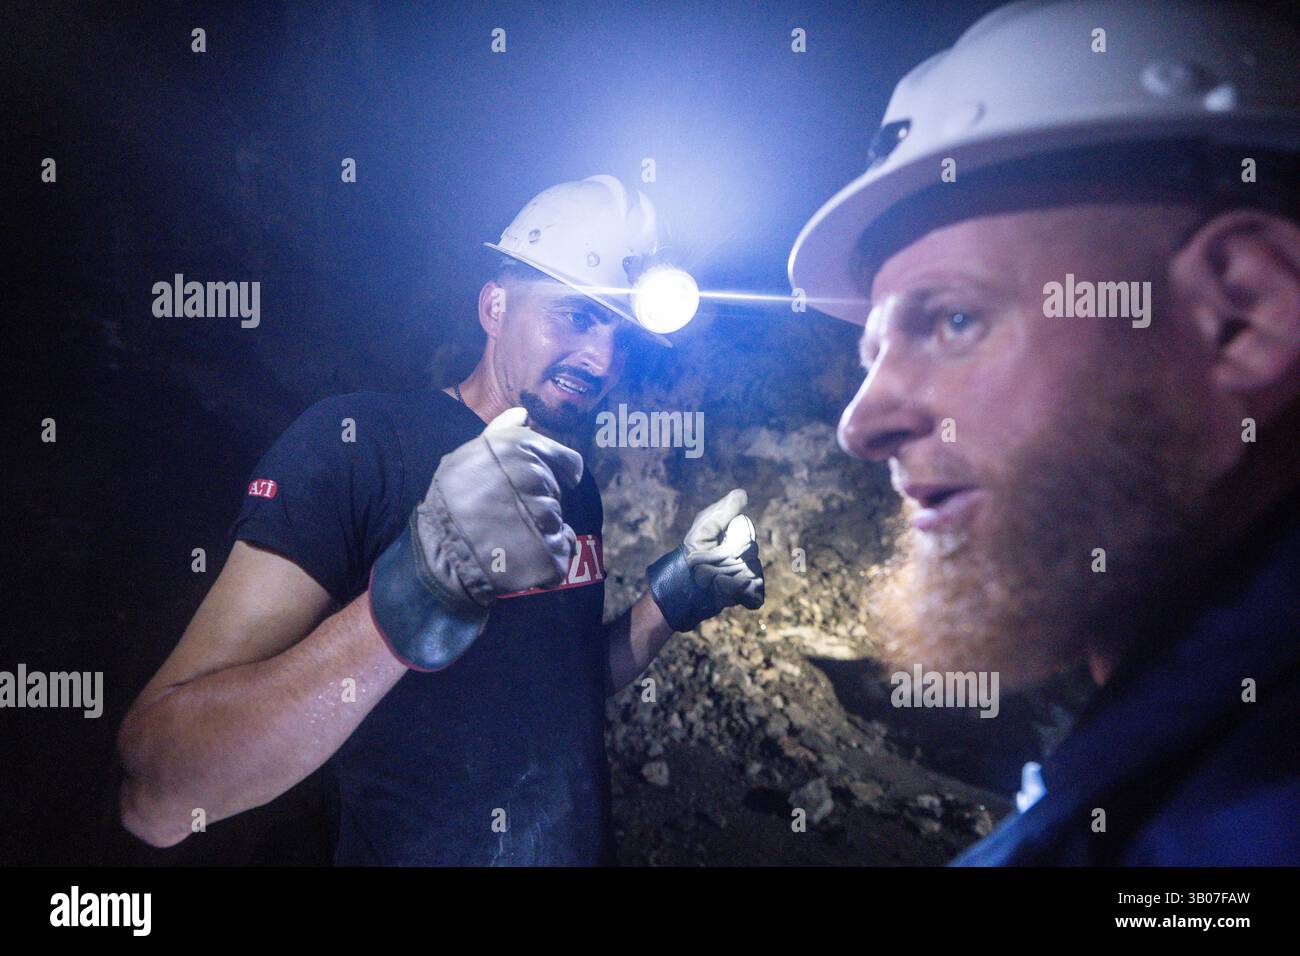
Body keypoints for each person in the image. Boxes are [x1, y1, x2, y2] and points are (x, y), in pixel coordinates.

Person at [117, 174, 765, 865]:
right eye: (575, 315)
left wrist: (673, 598)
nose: (602, 359)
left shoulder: (570, 486)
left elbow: (567, 685)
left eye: (622, 338)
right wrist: (415, 594)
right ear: (494, 305)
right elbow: (158, 790)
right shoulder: (360, 448)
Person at [789, 0, 1300, 864]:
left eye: (952, 320)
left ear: (1243, 315)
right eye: (873, 351)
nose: (862, 423)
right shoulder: (1172, 777)